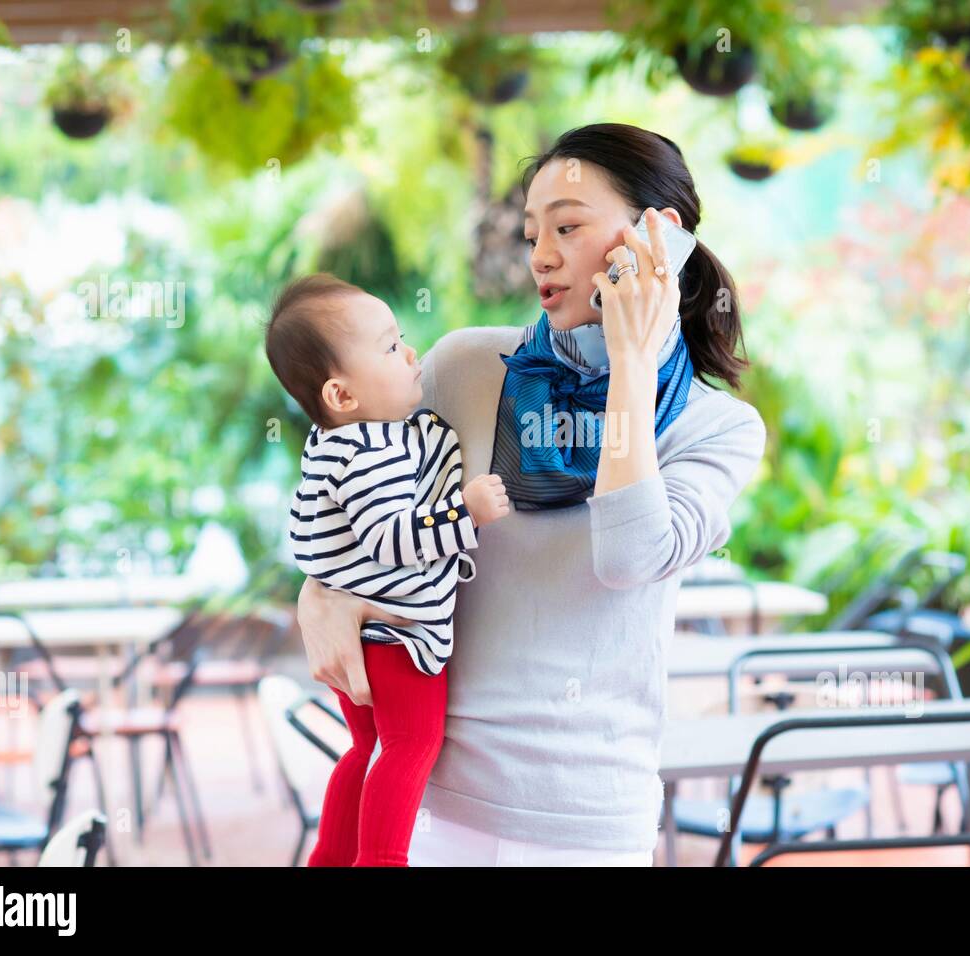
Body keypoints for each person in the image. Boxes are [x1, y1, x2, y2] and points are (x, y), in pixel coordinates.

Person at [296, 123, 766, 866]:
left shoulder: (718, 429)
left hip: (589, 818)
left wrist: (630, 366)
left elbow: (628, 553)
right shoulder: (467, 368)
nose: (541, 255)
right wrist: (319, 592)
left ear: (659, 237)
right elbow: (364, 509)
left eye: (568, 227)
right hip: (436, 806)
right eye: (531, 232)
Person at [265, 274, 510, 865]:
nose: (410, 352)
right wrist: (466, 513)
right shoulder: (366, 452)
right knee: (412, 745)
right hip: (395, 638)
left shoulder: (351, 443)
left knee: (366, 747)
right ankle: (382, 858)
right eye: (389, 347)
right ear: (342, 398)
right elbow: (391, 538)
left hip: (365, 637)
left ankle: (331, 854)